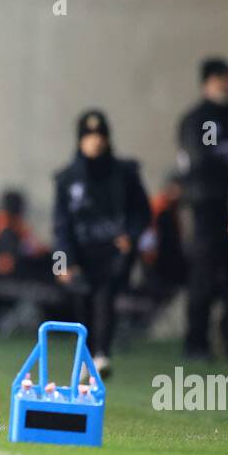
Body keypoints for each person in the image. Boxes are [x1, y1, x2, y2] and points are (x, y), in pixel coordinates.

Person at [52, 110, 151, 378]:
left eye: (100, 135)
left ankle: (101, 354)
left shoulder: (125, 173)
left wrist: (130, 236)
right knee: (82, 300)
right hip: (80, 253)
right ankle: (87, 355)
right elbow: (61, 225)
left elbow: (142, 211)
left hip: (113, 253)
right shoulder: (66, 178)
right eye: (89, 136)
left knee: (105, 299)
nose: (95, 141)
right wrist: (62, 262)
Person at [176, 58, 228, 361]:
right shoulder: (196, 119)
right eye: (221, 78)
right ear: (207, 82)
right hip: (208, 207)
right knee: (203, 276)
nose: (227, 84)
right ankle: (196, 342)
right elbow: (200, 160)